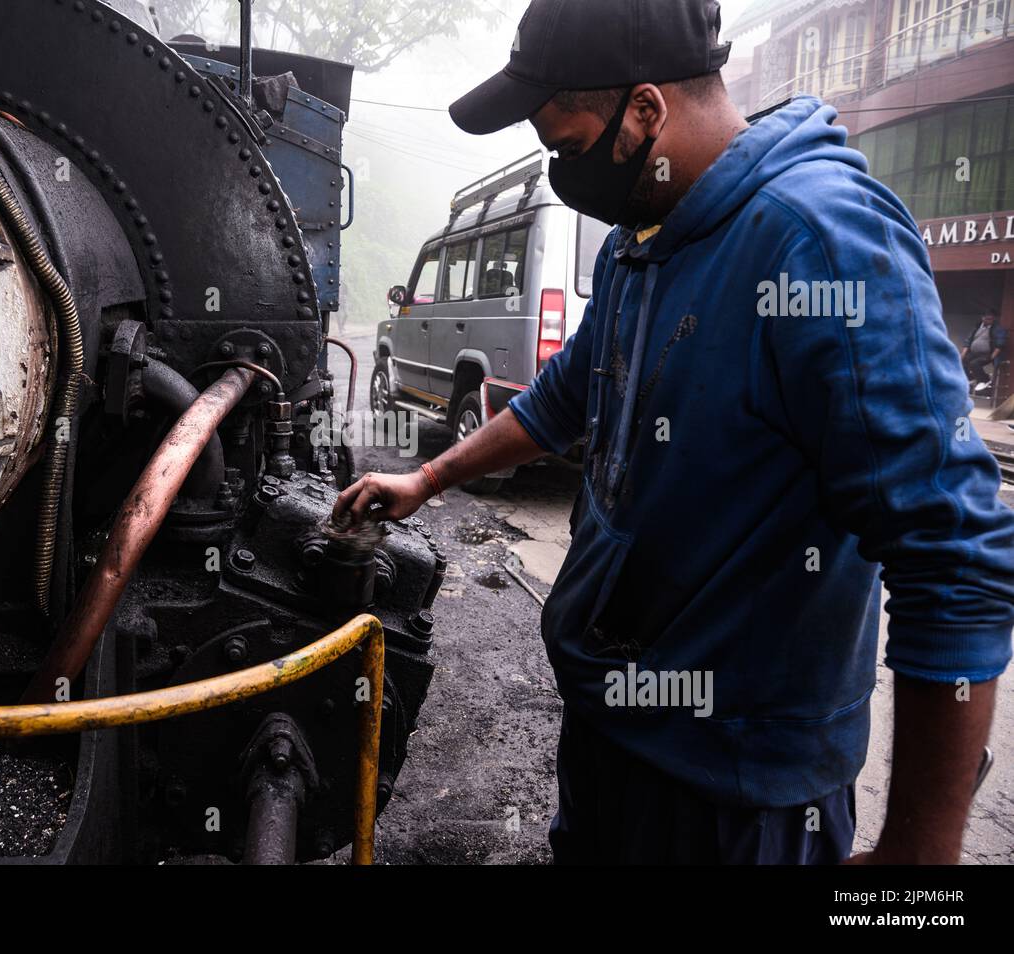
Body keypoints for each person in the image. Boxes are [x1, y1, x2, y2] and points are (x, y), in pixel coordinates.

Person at [334, 0, 1014, 864]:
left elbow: (953, 557)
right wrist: (426, 481)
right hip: (612, 739)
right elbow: (561, 398)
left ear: (646, 110)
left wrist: (919, 858)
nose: (560, 171)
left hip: (738, 798)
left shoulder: (819, 242)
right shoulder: (639, 241)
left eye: (569, 147)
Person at [960, 309, 1006, 393]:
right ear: (983, 318)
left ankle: (985, 380)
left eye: (991, 319)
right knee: (962, 362)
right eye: (987, 318)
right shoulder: (977, 327)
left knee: (974, 364)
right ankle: (971, 378)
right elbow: (968, 340)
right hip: (974, 352)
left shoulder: (997, 329)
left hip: (987, 353)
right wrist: (962, 355)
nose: (989, 321)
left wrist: (992, 356)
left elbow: (1000, 344)